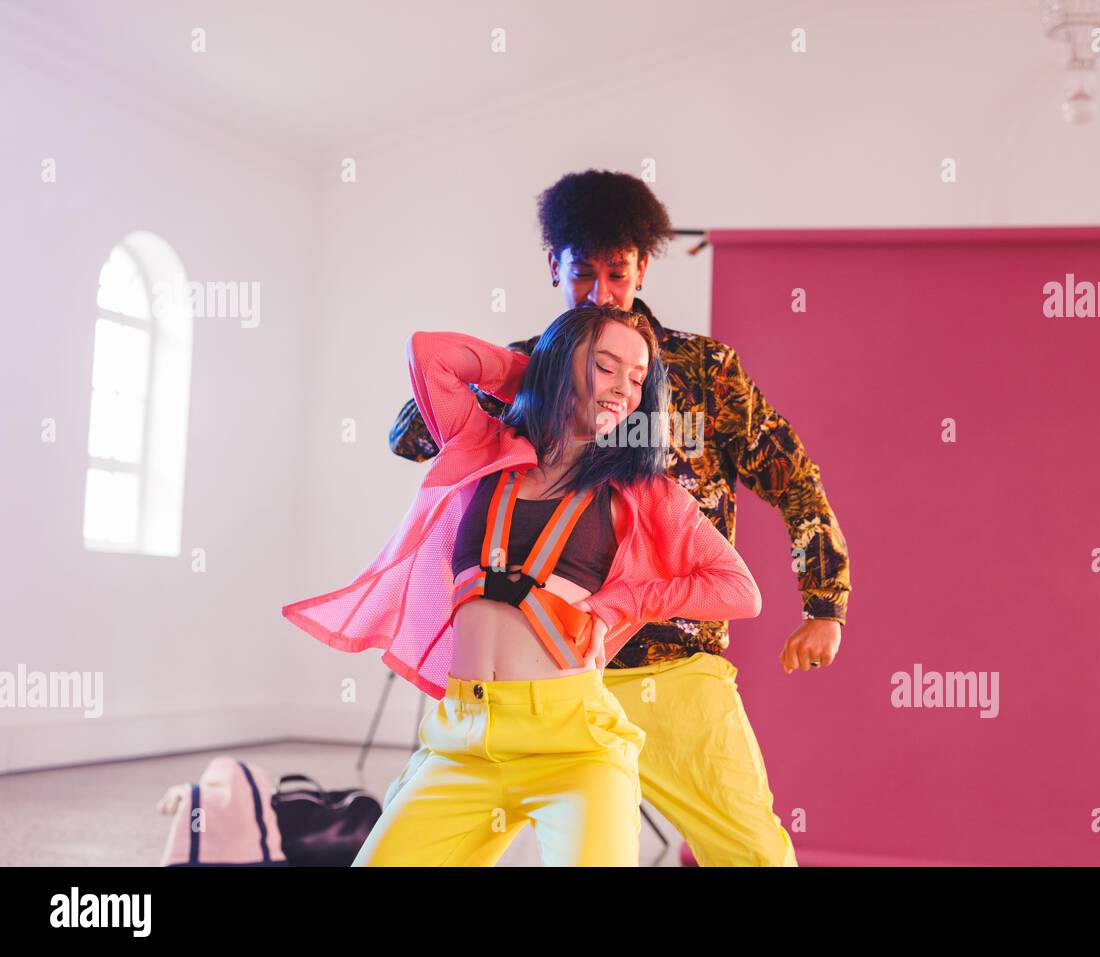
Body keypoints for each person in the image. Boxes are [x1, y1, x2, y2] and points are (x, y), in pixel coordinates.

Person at [388, 169, 851, 866]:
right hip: (533, 672)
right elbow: (413, 436)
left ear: (642, 267)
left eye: (617, 272)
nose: (602, 292)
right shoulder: (528, 371)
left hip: (668, 664)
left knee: (752, 852)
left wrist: (826, 601)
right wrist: (530, 369)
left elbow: (795, 477)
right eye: (583, 274)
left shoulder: (706, 369)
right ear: (554, 266)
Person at [282, 304, 762, 866]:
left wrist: (623, 602)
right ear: (560, 363)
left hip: (573, 744)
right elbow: (430, 354)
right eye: (605, 366)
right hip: (463, 740)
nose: (623, 391)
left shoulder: (640, 488)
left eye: (637, 379)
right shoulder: (481, 445)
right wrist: (533, 376)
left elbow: (739, 590)